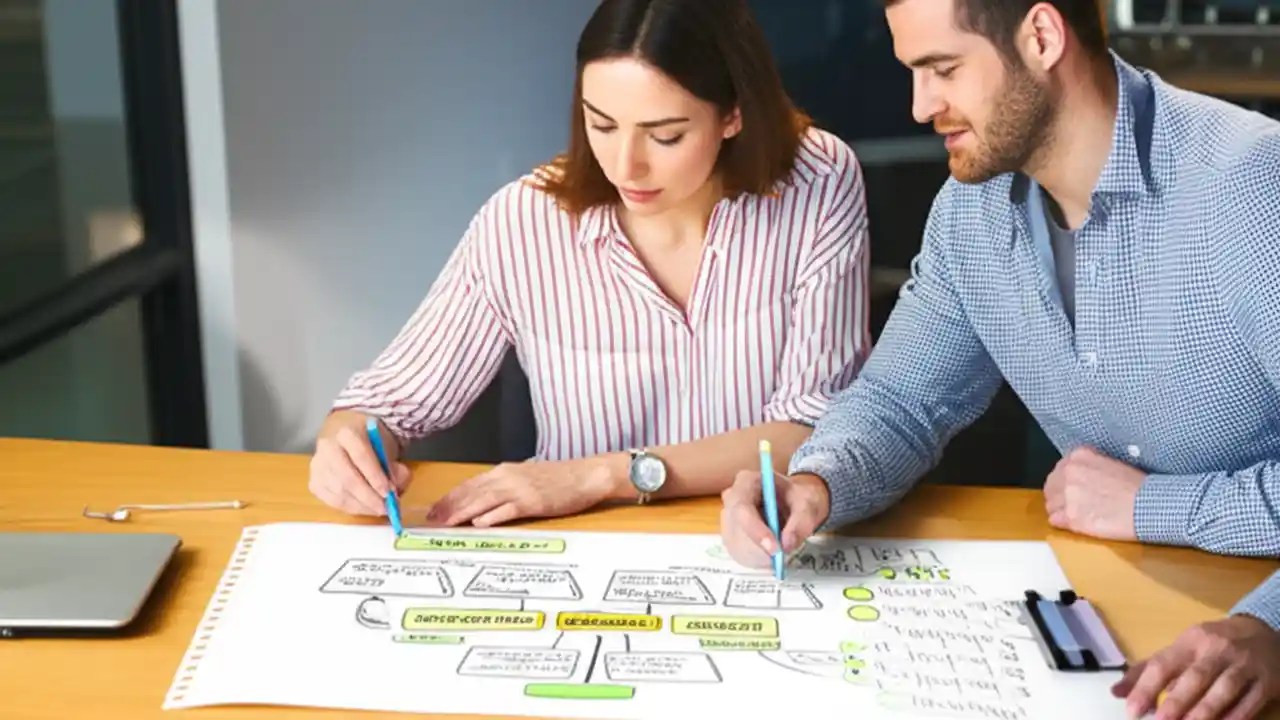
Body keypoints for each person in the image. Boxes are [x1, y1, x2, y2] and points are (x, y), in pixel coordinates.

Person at [717, 0, 1280, 718]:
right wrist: (817, 485)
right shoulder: (969, 213)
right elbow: (899, 403)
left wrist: (1172, 528)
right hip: (1121, 633)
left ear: (1042, 37)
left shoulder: (1250, 187)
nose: (921, 106)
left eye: (942, 69)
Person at [308, 0, 871, 530]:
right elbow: (388, 402)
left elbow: (817, 425)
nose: (626, 165)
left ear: (733, 116)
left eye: (666, 135)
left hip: (758, 543)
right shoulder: (522, 222)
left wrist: (598, 475)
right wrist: (350, 440)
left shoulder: (818, 183)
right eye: (601, 125)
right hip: (584, 556)